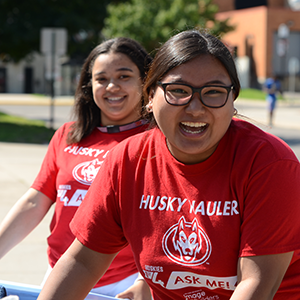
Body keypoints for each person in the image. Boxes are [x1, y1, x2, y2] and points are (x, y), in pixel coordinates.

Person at [37, 29, 300, 300]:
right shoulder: (127, 161)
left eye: (213, 92)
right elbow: (83, 262)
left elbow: (256, 286)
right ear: (150, 96)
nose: (195, 108)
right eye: (178, 90)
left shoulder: (270, 164)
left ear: (232, 99)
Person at [0, 37, 153, 297]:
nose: (112, 86)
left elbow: (165, 217)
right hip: (61, 273)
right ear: (88, 85)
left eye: (124, 76)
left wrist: (145, 282)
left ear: (145, 82)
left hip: (123, 284)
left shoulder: (156, 142)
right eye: (101, 78)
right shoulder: (68, 135)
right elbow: (35, 201)